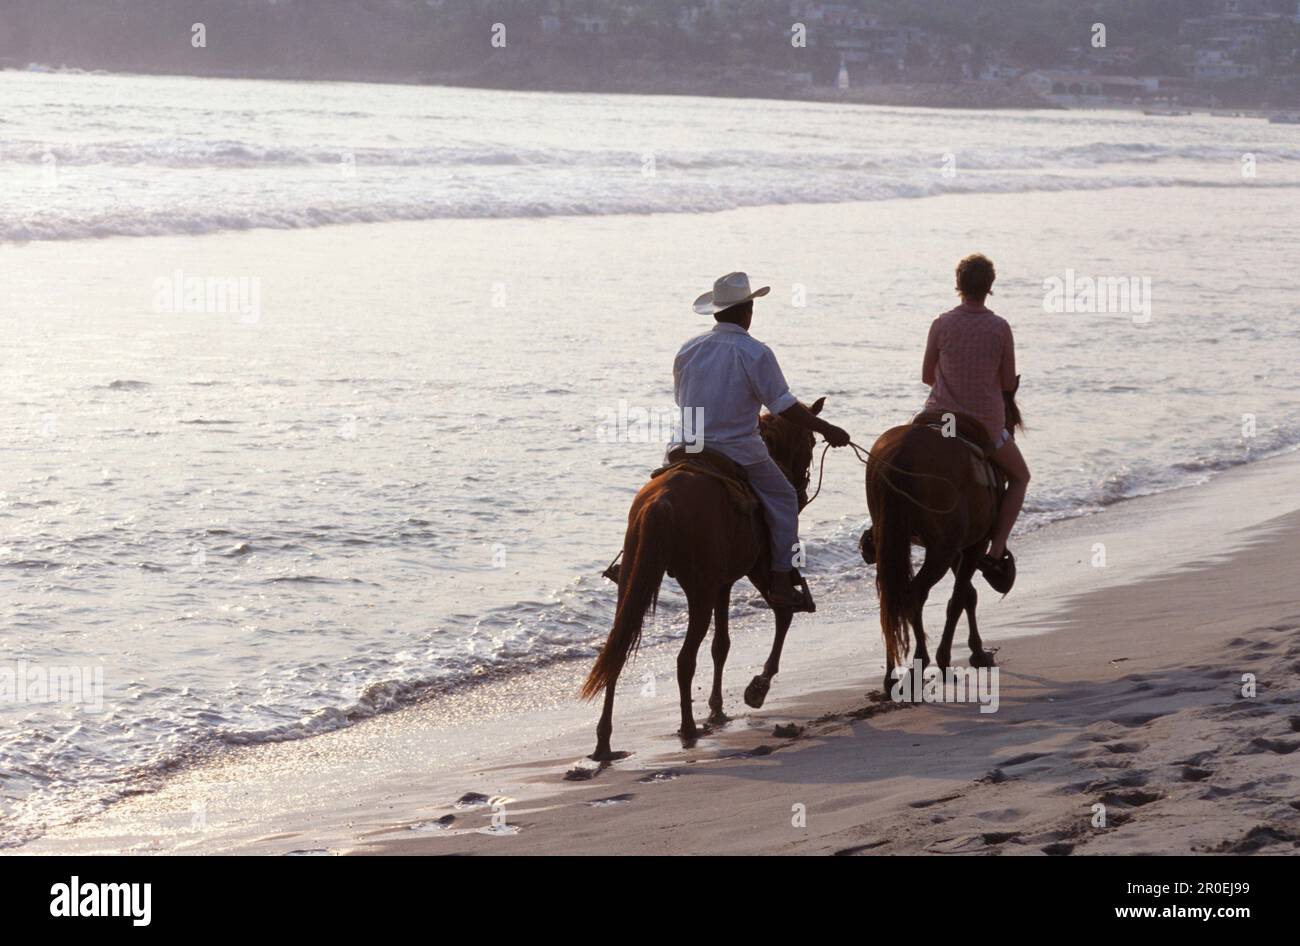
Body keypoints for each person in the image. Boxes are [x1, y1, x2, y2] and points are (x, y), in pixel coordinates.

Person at [667, 272, 851, 609]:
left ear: (717, 312)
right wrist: (826, 428)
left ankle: (630, 558)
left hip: (686, 445)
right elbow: (782, 406)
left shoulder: (688, 348)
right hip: (736, 449)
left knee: (660, 490)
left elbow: (683, 400)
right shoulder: (754, 352)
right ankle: (781, 579)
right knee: (783, 498)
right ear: (747, 311)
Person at [921, 253, 1030, 577]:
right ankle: (995, 552)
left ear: (958, 285)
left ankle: (876, 531)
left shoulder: (941, 323)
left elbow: (927, 375)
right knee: (1021, 477)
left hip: (940, 418)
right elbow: (1009, 382)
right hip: (983, 423)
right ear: (990, 287)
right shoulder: (1000, 328)